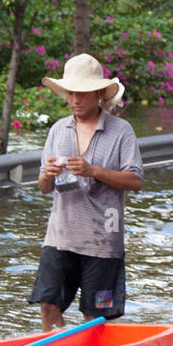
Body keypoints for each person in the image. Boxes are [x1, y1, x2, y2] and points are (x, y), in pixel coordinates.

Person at [31, 53, 144, 331]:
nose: (75, 101)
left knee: (94, 318)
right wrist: (47, 175)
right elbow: (44, 188)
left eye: (81, 94)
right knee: (48, 304)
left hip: (102, 240)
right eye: (70, 93)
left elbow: (135, 181)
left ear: (98, 95)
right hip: (60, 236)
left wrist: (94, 170)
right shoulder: (58, 130)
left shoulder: (121, 131)